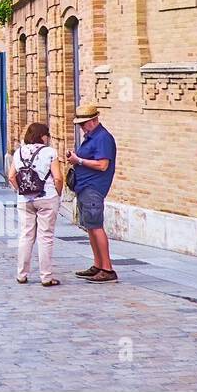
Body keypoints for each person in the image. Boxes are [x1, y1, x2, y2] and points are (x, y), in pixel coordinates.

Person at [67, 104, 118, 283]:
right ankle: (98, 265)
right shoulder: (90, 137)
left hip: (94, 188)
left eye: (84, 124)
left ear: (94, 120)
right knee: (90, 227)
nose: (81, 127)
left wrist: (78, 160)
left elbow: (103, 165)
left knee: (96, 227)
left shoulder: (103, 138)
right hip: (84, 187)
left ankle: (107, 269)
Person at [8, 122, 63, 286]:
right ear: (42, 136)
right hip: (47, 197)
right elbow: (58, 178)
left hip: (25, 200)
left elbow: (11, 176)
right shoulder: (50, 152)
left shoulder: (18, 152)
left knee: (26, 236)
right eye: (47, 135)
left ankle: (21, 274)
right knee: (45, 237)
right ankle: (46, 277)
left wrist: (21, 191)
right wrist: (58, 194)